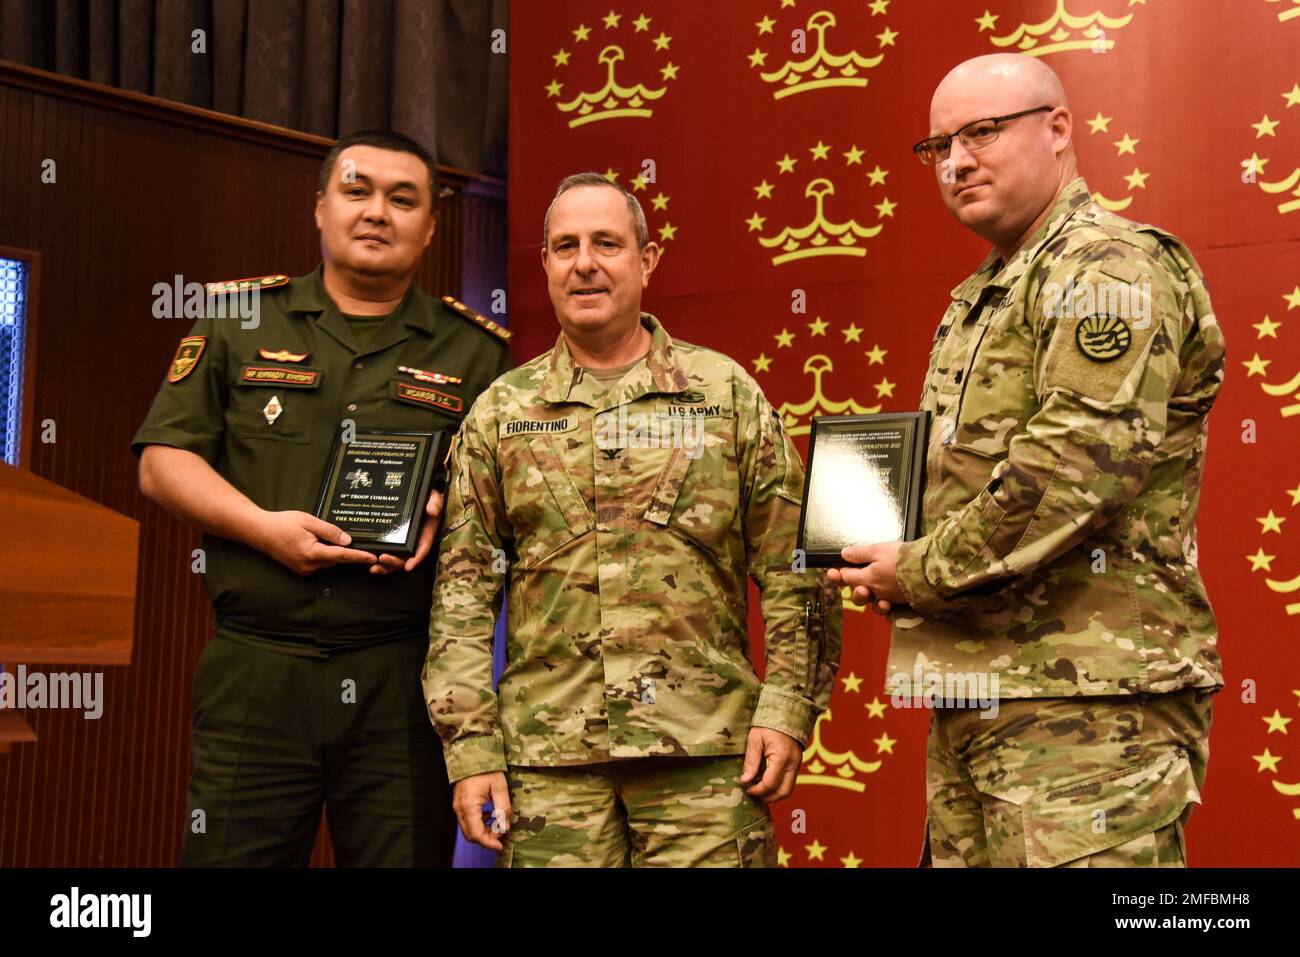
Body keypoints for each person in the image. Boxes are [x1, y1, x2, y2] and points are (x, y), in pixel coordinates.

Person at [828, 54, 1225, 867]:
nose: (957, 161)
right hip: (983, 690)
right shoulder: (990, 289)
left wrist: (921, 568)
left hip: (1089, 708)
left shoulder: (1108, 266)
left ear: (1057, 130)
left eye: (980, 133)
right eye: (938, 146)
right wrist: (880, 550)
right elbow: (971, 479)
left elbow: (1074, 469)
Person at [422, 172, 842, 867]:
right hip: (550, 772)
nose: (585, 262)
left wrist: (789, 705)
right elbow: (462, 599)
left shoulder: (726, 395)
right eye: (566, 246)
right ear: (547, 266)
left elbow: (799, 567)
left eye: (607, 243)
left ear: (647, 261)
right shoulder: (501, 412)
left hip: (707, 764)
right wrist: (469, 748)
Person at [133, 130, 512, 866]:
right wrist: (262, 528)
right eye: (357, 190)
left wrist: (446, 509)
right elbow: (163, 460)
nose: (378, 212)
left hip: (401, 674)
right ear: (319, 208)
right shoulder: (238, 317)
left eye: (403, 199)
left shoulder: (477, 353)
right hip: (256, 668)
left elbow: (497, 506)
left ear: (431, 224)